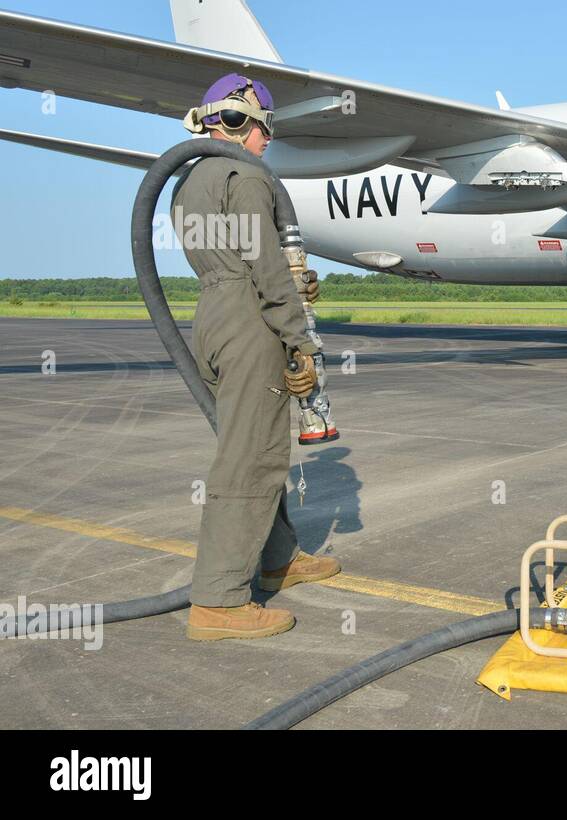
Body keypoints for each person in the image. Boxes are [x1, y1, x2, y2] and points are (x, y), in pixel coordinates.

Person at [172, 73, 340, 641]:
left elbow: (240, 258)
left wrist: (293, 282)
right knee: (251, 458)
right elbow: (266, 272)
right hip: (250, 324)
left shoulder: (190, 181)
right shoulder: (249, 178)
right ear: (244, 123)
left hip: (214, 316)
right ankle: (218, 601)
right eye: (266, 128)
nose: (269, 140)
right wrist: (301, 342)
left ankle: (279, 557)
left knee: (249, 444)